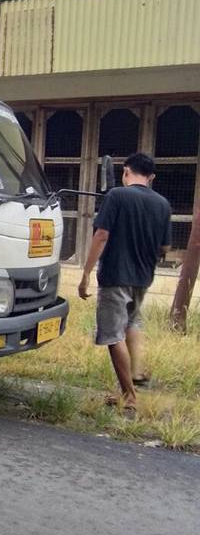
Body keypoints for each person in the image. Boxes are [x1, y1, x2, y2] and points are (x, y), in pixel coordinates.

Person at [78, 152, 171, 412]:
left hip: (116, 275)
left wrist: (86, 273)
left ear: (125, 171)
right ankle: (137, 372)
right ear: (151, 177)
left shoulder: (117, 195)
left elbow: (102, 235)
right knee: (131, 322)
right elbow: (164, 247)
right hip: (143, 277)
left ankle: (129, 396)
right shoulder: (163, 204)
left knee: (111, 334)